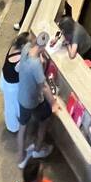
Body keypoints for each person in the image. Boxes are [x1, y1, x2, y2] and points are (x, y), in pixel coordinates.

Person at [16, 32, 55, 165]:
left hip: (21, 97)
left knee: (22, 128)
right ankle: (38, 148)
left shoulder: (26, 48)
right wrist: (53, 103)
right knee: (45, 119)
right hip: (33, 101)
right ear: (43, 47)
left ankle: (20, 158)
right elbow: (43, 86)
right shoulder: (35, 64)